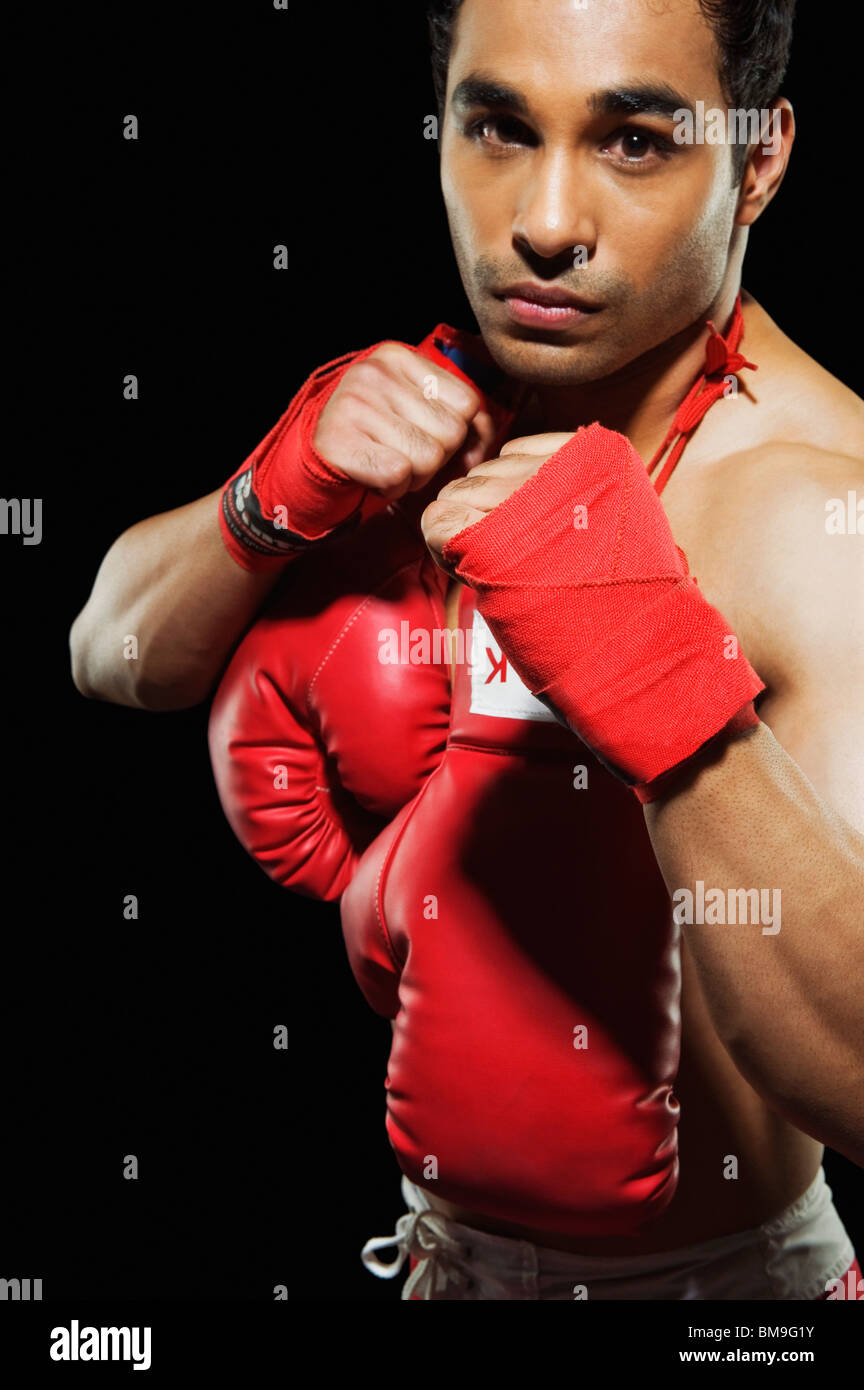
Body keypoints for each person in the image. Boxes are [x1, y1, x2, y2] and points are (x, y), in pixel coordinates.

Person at [70, 0, 863, 1300]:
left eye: (636, 140)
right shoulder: (433, 409)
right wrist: (261, 503)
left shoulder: (818, 509)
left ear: (760, 160)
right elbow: (110, 649)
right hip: (441, 1265)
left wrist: (663, 686)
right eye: (499, 127)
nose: (545, 219)